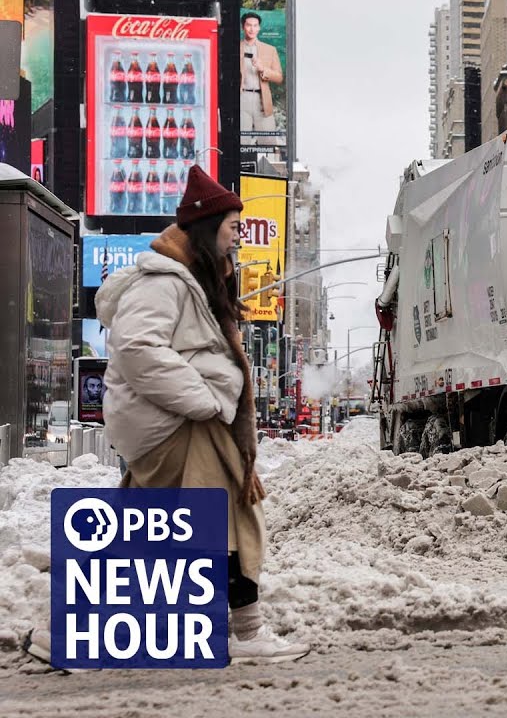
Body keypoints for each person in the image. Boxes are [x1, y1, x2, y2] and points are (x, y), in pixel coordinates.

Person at [23, 166, 308, 666]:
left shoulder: (197, 279)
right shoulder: (165, 281)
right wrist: (201, 398)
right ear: (206, 225)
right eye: (233, 223)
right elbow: (135, 347)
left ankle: (65, 633)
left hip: (176, 425)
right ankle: (247, 634)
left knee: (155, 532)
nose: (240, 232)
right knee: (222, 521)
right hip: (177, 425)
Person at [240, 12, 284, 147]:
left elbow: (279, 77)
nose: (252, 29)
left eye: (255, 25)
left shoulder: (270, 49)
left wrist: (263, 69)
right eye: (248, 25)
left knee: (268, 144)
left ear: (259, 28)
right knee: (241, 143)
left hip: (262, 99)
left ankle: (266, 167)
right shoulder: (235, 48)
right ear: (243, 27)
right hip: (241, 99)